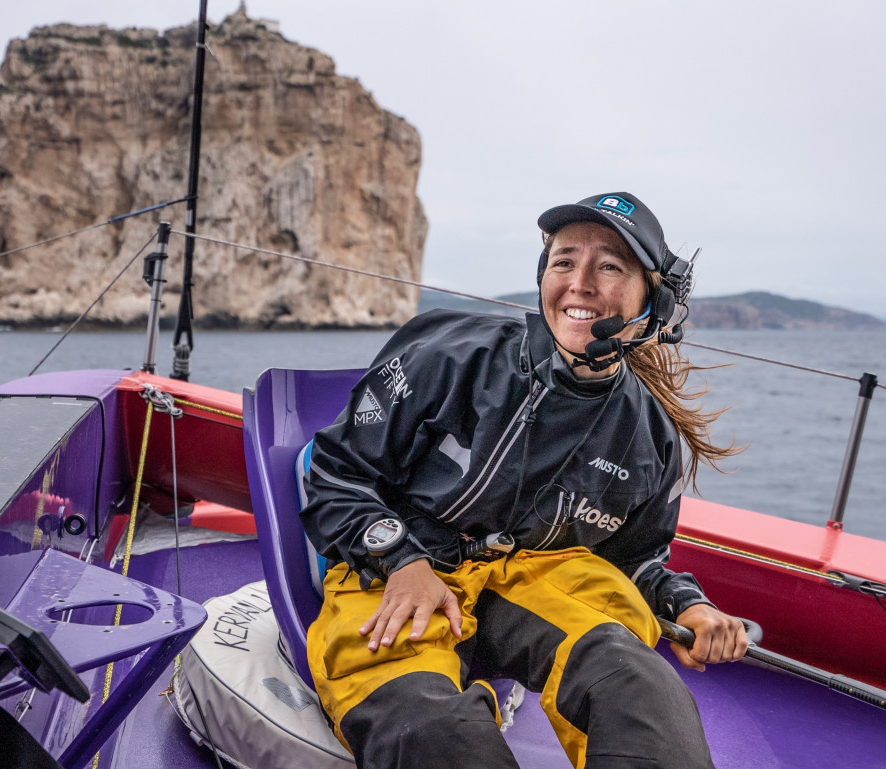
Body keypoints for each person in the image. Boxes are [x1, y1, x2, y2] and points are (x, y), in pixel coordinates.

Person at [301, 192, 746, 769]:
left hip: (530, 580)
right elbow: (337, 474)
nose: (579, 284)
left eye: (610, 266)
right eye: (564, 261)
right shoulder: (452, 357)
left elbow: (633, 559)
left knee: (639, 684)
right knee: (428, 727)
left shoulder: (648, 436)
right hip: (401, 569)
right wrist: (402, 562)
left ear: (654, 300)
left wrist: (687, 605)